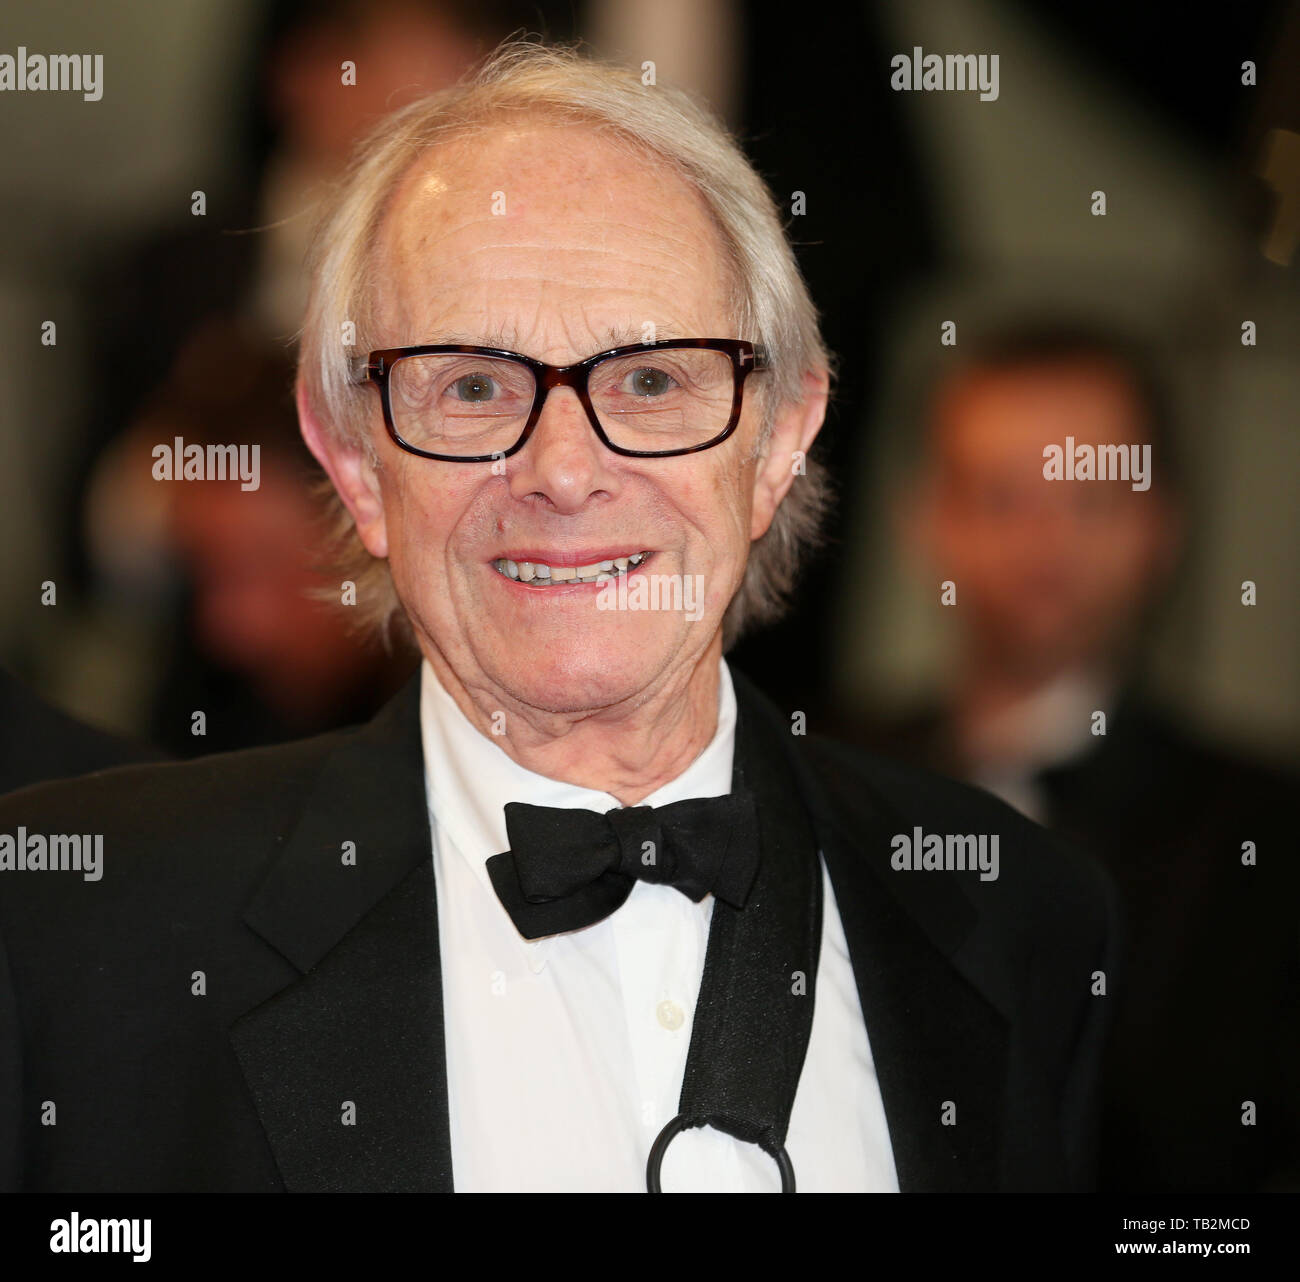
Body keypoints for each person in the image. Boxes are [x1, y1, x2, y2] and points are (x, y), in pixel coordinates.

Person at [0, 40, 1116, 1194]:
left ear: (781, 434)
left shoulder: (1016, 921)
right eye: (474, 386)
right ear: (355, 460)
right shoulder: (77, 933)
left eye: (649, 380)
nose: (565, 471)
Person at [855, 321, 1300, 1191]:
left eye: (1090, 497)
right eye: (1002, 495)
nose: (1045, 544)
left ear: (1159, 523)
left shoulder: (1269, 836)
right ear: (928, 519)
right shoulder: (821, 782)